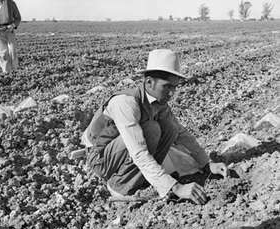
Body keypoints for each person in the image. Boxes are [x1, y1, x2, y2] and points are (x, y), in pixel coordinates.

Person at [82, 49, 227, 205]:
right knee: (151, 130)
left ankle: (141, 178)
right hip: (99, 157)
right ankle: (119, 185)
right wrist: (175, 187)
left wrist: (206, 163)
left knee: (170, 128)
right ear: (149, 82)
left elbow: (181, 133)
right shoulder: (125, 103)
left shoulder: (159, 102)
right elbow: (138, 152)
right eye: (167, 87)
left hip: (119, 150)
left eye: (174, 87)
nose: (172, 93)